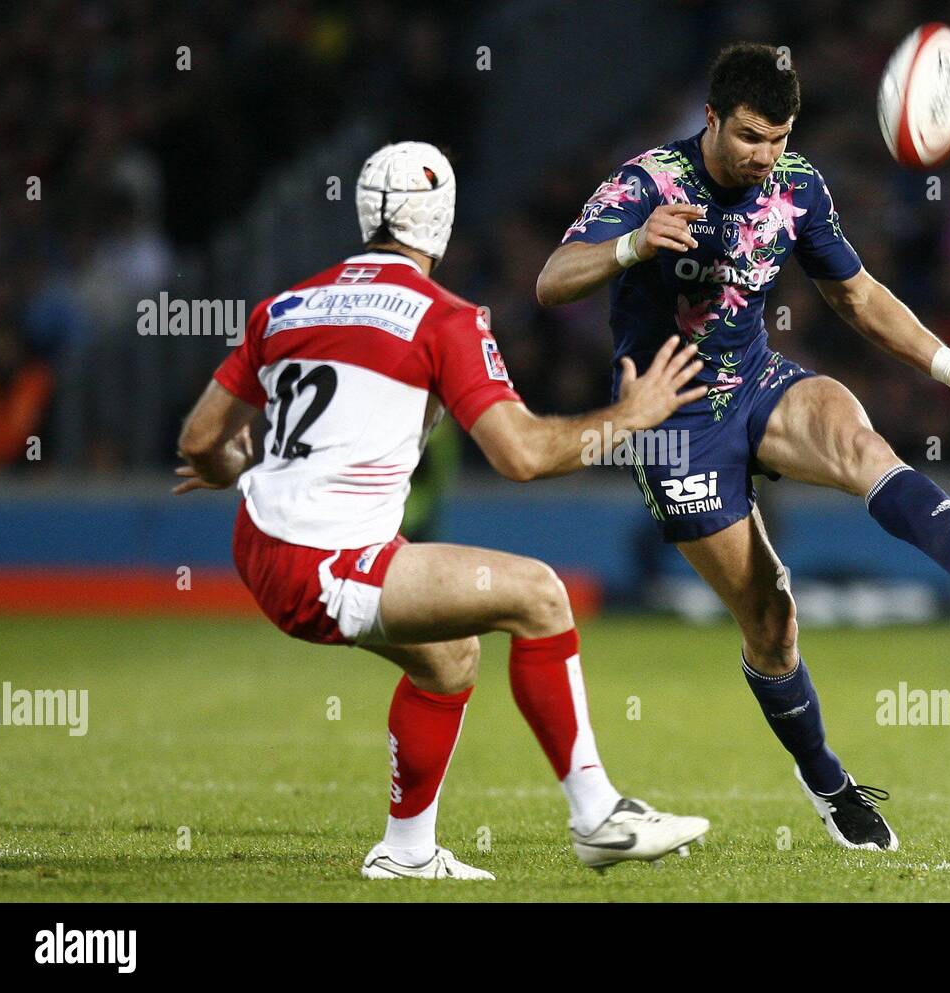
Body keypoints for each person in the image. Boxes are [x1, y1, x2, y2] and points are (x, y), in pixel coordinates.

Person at [535, 44, 950, 851]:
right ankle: (828, 783)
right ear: (709, 119)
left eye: (778, 137)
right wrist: (633, 245)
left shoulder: (798, 186)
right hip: (671, 421)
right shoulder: (648, 184)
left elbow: (856, 292)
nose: (764, 156)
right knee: (771, 616)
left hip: (757, 380)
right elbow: (553, 277)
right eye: (748, 137)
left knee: (854, 434)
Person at [174, 141, 710, 879]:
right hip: (329, 564)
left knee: (451, 662)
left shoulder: (285, 305)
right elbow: (519, 455)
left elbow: (201, 439)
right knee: (538, 594)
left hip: (261, 544)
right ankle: (598, 815)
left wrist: (234, 465)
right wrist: (631, 416)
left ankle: (406, 853)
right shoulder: (443, 317)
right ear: (444, 222)